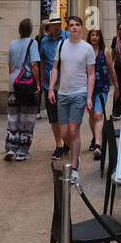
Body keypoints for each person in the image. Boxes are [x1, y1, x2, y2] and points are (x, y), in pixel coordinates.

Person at [47, 14, 95, 172]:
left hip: (79, 93)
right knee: (64, 133)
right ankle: (76, 154)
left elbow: (91, 74)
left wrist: (89, 97)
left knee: (74, 130)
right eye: (71, 25)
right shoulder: (61, 45)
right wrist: (50, 89)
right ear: (68, 28)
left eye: (77, 25)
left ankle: (74, 166)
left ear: (81, 28)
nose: (74, 27)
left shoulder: (87, 48)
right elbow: (55, 68)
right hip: (62, 93)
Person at [4, 18, 40, 162]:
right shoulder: (33, 43)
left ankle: (10, 148)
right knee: (27, 119)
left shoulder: (12, 44)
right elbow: (34, 66)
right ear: (30, 30)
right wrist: (37, 84)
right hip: (27, 86)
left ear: (19, 30)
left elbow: (10, 67)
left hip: (14, 85)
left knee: (13, 118)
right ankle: (22, 152)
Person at [40, 14, 70, 161]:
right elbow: (42, 63)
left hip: (66, 84)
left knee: (67, 116)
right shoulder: (44, 41)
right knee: (54, 118)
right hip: (49, 85)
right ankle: (59, 145)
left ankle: (67, 141)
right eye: (54, 24)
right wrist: (40, 82)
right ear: (49, 27)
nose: (56, 26)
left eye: (58, 24)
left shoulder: (68, 37)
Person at [87, 27, 118, 160]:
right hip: (89, 89)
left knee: (98, 114)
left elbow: (111, 69)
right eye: (92, 35)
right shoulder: (86, 52)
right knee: (92, 115)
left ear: (100, 38)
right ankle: (95, 138)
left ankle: (98, 145)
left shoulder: (105, 52)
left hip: (102, 87)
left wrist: (116, 86)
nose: (94, 37)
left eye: (97, 35)